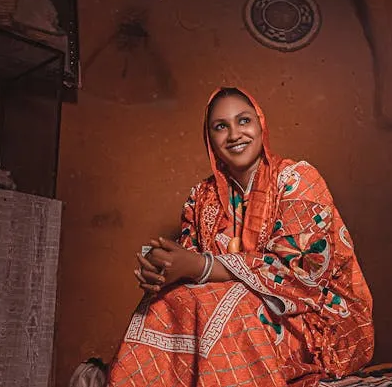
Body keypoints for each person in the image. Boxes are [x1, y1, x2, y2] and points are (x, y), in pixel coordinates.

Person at [107, 87, 374, 387]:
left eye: (244, 121)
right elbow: (189, 266)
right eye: (221, 126)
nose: (234, 134)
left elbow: (299, 276)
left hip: (316, 324)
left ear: (261, 125)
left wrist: (202, 267)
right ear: (209, 138)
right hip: (232, 310)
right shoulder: (201, 197)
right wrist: (163, 270)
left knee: (235, 307)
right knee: (162, 303)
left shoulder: (298, 179)